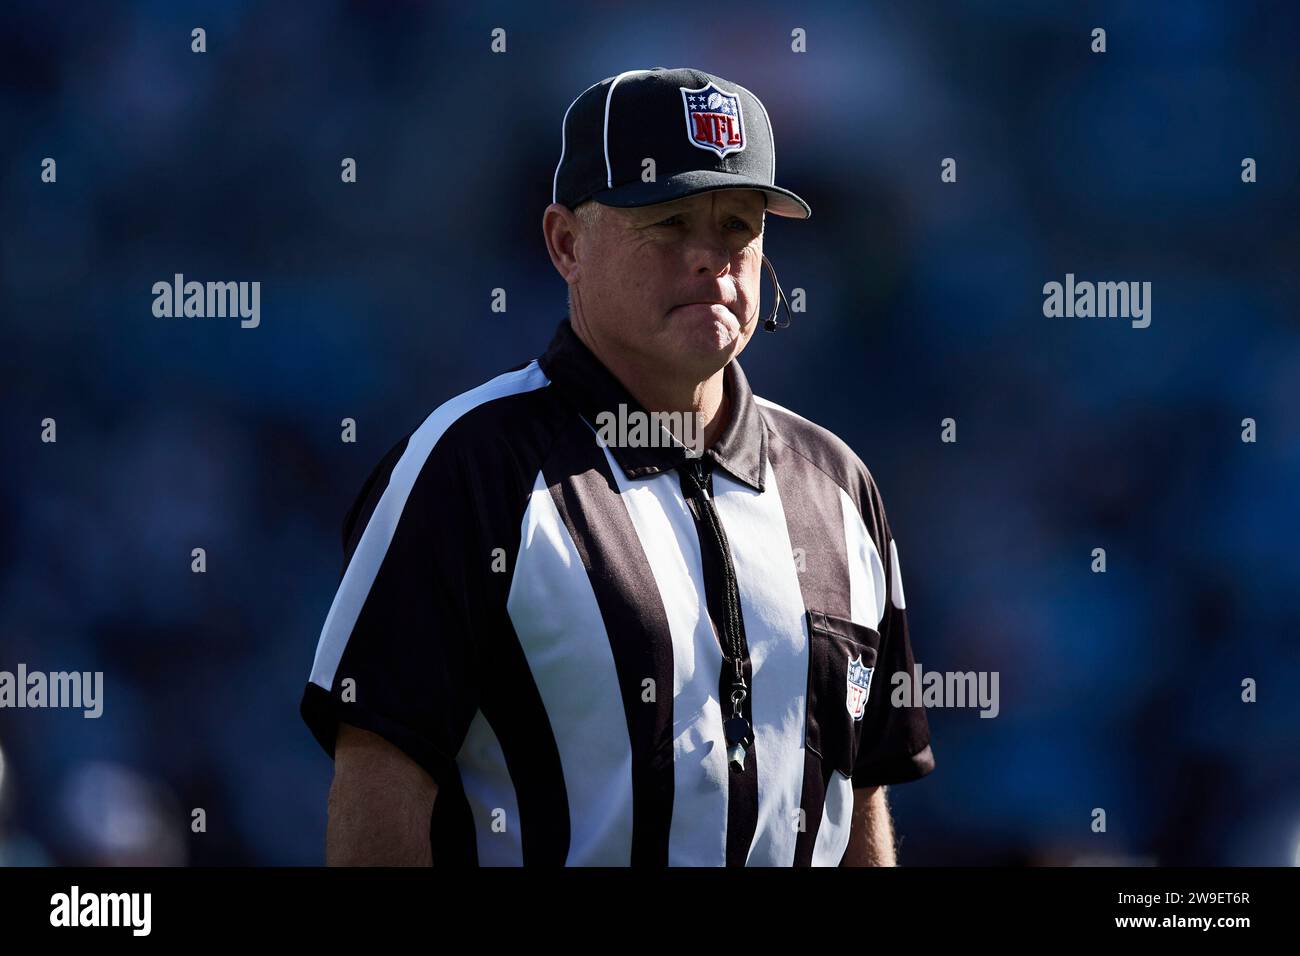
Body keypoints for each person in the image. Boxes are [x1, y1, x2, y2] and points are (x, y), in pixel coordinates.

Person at [301, 67, 934, 866]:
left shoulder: (837, 488)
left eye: (738, 224)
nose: (712, 259)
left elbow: (859, 793)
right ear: (566, 243)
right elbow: (379, 787)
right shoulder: (471, 469)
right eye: (668, 222)